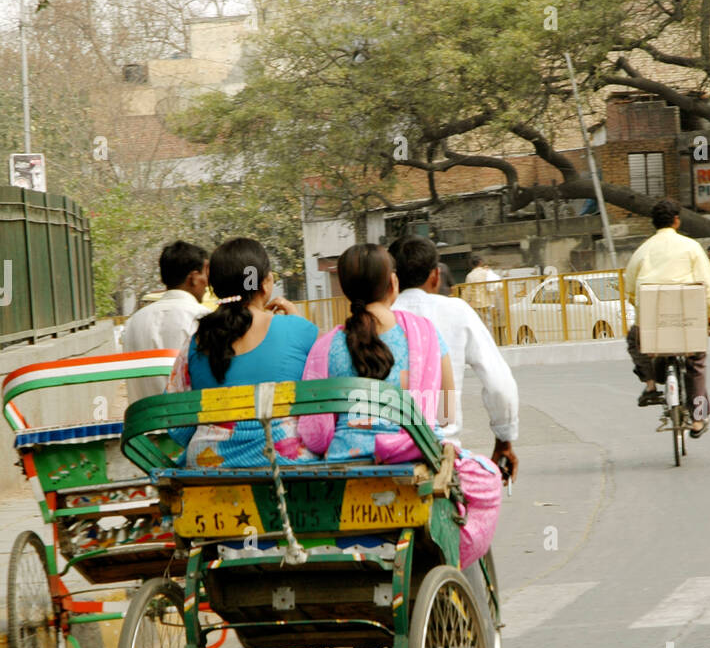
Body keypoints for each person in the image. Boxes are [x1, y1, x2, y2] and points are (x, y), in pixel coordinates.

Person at [298, 244, 501, 568]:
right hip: (414, 459)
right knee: (488, 479)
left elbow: (315, 434)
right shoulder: (424, 334)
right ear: (393, 284)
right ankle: (448, 558)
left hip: (346, 470)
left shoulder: (327, 346)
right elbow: (445, 414)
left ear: (346, 291)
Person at [165, 237, 317, 467]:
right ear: (265, 283)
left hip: (210, 465)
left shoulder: (196, 342)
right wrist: (295, 323)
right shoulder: (300, 330)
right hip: (285, 462)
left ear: (214, 288)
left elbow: (179, 428)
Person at [386, 236, 520, 481]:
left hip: (382, 453)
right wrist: (504, 439)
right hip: (442, 451)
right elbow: (500, 385)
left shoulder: (374, 321)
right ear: (436, 276)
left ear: (392, 278)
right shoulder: (456, 311)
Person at [624, 199, 710, 437]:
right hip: (688, 318)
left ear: (653, 223)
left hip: (654, 319)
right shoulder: (691, 247)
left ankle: (650, 386)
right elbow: (708, 286)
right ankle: (698, 420)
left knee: (635, 339)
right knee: (696, 364)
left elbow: (630, 289)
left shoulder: (643, 250)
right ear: (677, 220)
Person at [123, 241, 211, 402]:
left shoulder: (133, 322)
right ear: (193, 278)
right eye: (206, 274)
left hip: (142, 424)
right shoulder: (202, 318)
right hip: (188, 424)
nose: (208, 282)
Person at [463, 255, 503, 336]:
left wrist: (465, 301)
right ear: (480, 262)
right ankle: (490, 340)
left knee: (477, 324)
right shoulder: (486, 273)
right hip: (487, 302)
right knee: (488, 323)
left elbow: (468, 291)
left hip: (475, 303)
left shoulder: (470, 276)